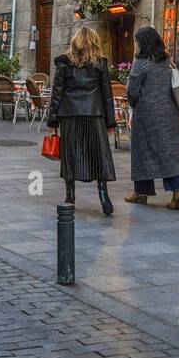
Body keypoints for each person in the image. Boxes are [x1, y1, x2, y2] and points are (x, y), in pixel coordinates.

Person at [46, 26, 117, 216]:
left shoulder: (64, 63)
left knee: (70, 155)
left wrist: (52, 121)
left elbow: (57, 93)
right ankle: (103, 195)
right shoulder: (100, 64)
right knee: (98, 155)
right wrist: (111, 122)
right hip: (94, 114)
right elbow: (107, 95)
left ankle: (70, 196)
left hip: (69, 114)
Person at [125, 26, 179, 210]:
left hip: (146, 115)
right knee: (169, 154)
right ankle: (177, 192)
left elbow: (132, 90)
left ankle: (141, 192)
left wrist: (134, 103)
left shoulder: (141, 63)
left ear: (143, 43)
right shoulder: (167, 61)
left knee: (143, 153)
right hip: (169, 114)